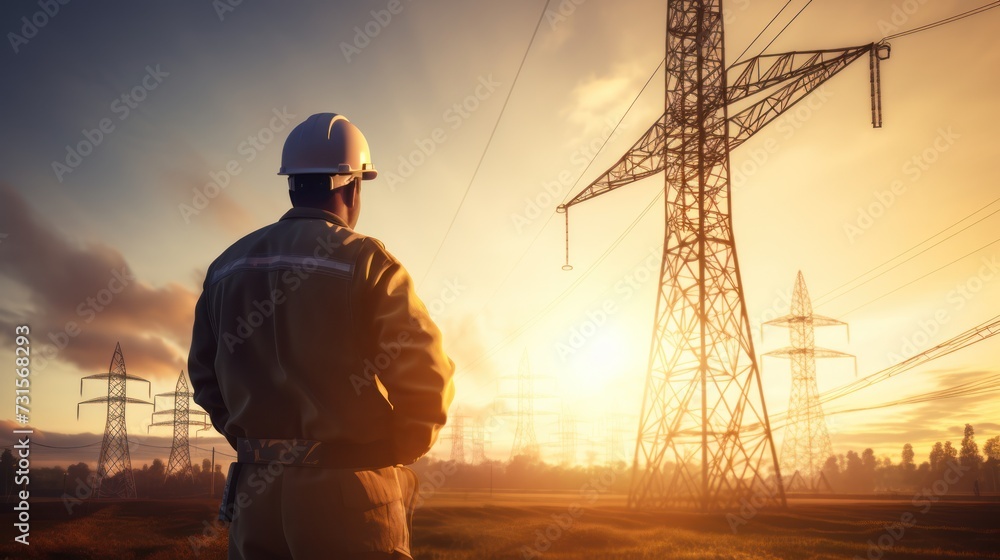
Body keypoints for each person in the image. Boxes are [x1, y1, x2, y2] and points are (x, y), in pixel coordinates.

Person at [188, 112, 455, 559]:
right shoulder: (367, 263)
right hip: (349, 499)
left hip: (257, 500)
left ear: (291, 184)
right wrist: (388, 449)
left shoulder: (226, 267)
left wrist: (259, 447)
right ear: (352, 187)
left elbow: (205, 378)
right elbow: (427, 381)